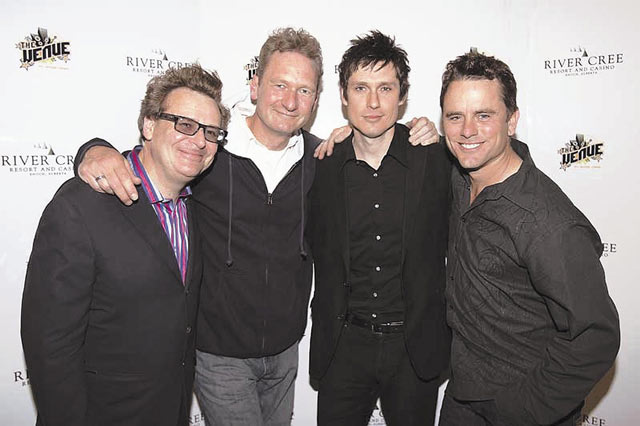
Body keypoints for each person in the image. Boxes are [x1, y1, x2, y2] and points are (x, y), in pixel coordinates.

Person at [74, 28, 438, 425]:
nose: (290, 100)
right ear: (255, 86)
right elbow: (153, 159)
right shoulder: (211, 150)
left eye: (303, 90)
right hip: (221, 354)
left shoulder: (319, 158)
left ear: (316, 100)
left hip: (284, 354)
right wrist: (94, 150)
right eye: (280, 85)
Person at [21, 64, 229, 426]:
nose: (199, 141)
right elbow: (49, 344)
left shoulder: (194, 206)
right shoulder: (80, 206)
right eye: (184, 124)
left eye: (211, 132)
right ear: (148, 125)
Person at [437, 51, 620, 426]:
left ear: (512, 120)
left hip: (522, 405)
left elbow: (596, 336)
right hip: (463, 394)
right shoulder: (460, 178)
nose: (467, 130)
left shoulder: (546, 221)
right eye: (455, 116)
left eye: (484, 115)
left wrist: (522, 409)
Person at [307, 31, 451, 426]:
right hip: (343, 347)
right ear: (343, 95)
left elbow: (502, 156)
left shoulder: (436, 159)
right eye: (361, 88)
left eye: (385, 88)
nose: (373, 103)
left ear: (402, 96)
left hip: (414, 348)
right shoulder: (321, 165)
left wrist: (442, 136)